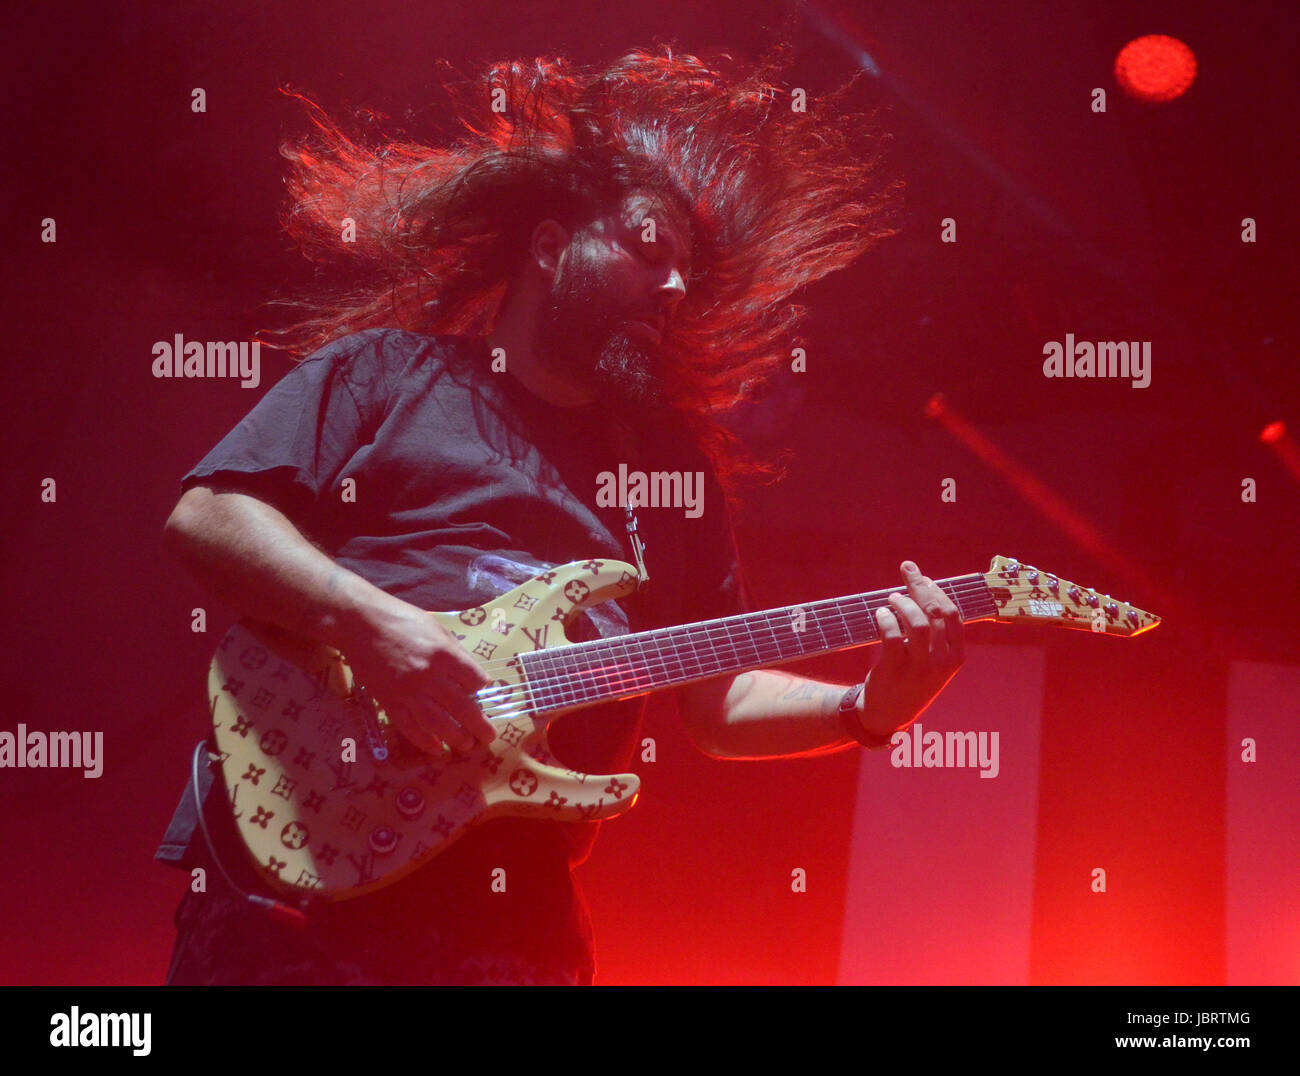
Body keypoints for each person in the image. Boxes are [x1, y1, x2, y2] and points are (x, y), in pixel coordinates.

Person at [155, 46, 966, 985]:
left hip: (510, 918)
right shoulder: (385, 374)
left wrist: (868, 709)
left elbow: (720, 699)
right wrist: (369, 623)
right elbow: (208, 518)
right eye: (647, 249)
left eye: (684, 275)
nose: (670, 288)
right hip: (297, 864)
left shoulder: (668, 470)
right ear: (550, 247)